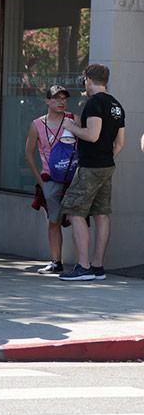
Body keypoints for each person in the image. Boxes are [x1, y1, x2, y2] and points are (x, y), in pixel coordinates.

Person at [59, 64, 126, 282]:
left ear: (88, 79)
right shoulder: (116, 105)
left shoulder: (94, 103)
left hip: (90, 167)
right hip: (106, 165)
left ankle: (83, 266)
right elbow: (120, 143)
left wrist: (71, 126)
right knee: (101, 214)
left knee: (75, 212)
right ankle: (97, 266)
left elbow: (93, 135)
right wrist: (105, 156)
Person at [24, 84, 74, 274]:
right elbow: (28, 153)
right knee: (53, 220)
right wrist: (41, 181)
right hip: (50, 178)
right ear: (47, 101)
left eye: (64, 98)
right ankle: (56, 261)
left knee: (78, 219)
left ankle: (84, 263)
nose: (61, 102)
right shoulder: (37, 124)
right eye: (56, 98)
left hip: (72, 178)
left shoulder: (72, 119)